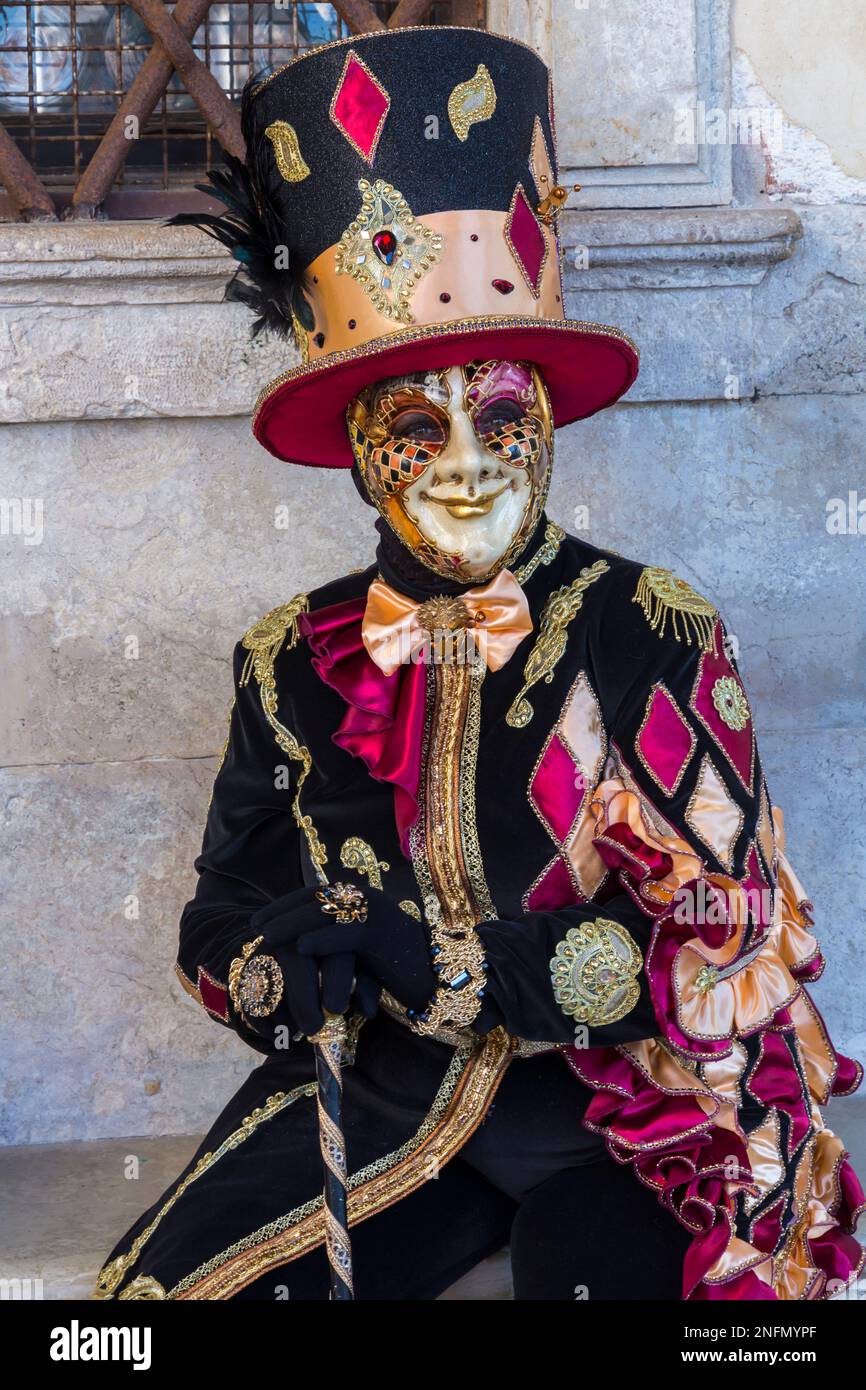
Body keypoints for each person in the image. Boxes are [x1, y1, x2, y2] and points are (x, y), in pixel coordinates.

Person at [95, 26, 863, 1301]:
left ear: (548, 425)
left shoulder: (648, 628)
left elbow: (721, 932)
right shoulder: (287, 660)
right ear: (357, 453)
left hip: (627, 1122)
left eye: (504, 416)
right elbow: (218, 909)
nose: (466, 461)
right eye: (416, 426)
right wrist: (275, 969)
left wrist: (457, 968)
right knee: (138, 1322)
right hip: (383, 1116)